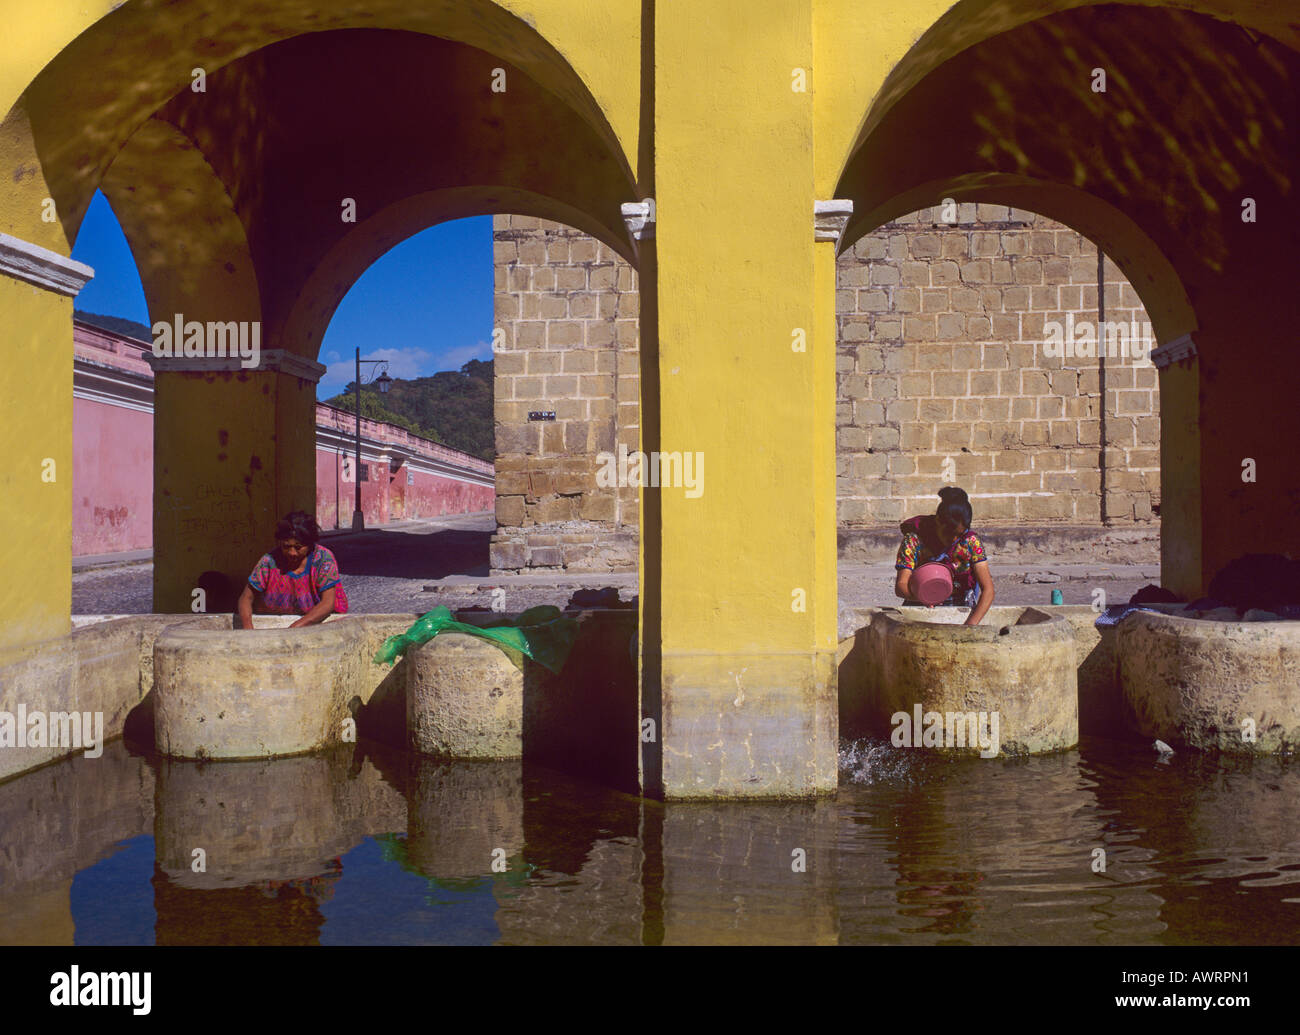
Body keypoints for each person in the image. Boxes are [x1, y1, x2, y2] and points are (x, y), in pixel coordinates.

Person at [893, 486, 995, 626]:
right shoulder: (914, 540)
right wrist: (923, 597)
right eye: (948, 532)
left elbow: (988, 590)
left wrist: (970, 625)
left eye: (958, 535)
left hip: (959, 607)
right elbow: (901, 586)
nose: (953, 539)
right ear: (938, 520)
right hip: (920, 606)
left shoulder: (970, 542)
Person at [237, 511, 348, 629]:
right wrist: (248, 629)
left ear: (310, 544)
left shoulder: (323, 559)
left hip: (316, 622)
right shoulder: (269, 561)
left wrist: (295, 628)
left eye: (298, 547)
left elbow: (328, 603)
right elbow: (246, 598)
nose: (292, 553)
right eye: (286, 546)